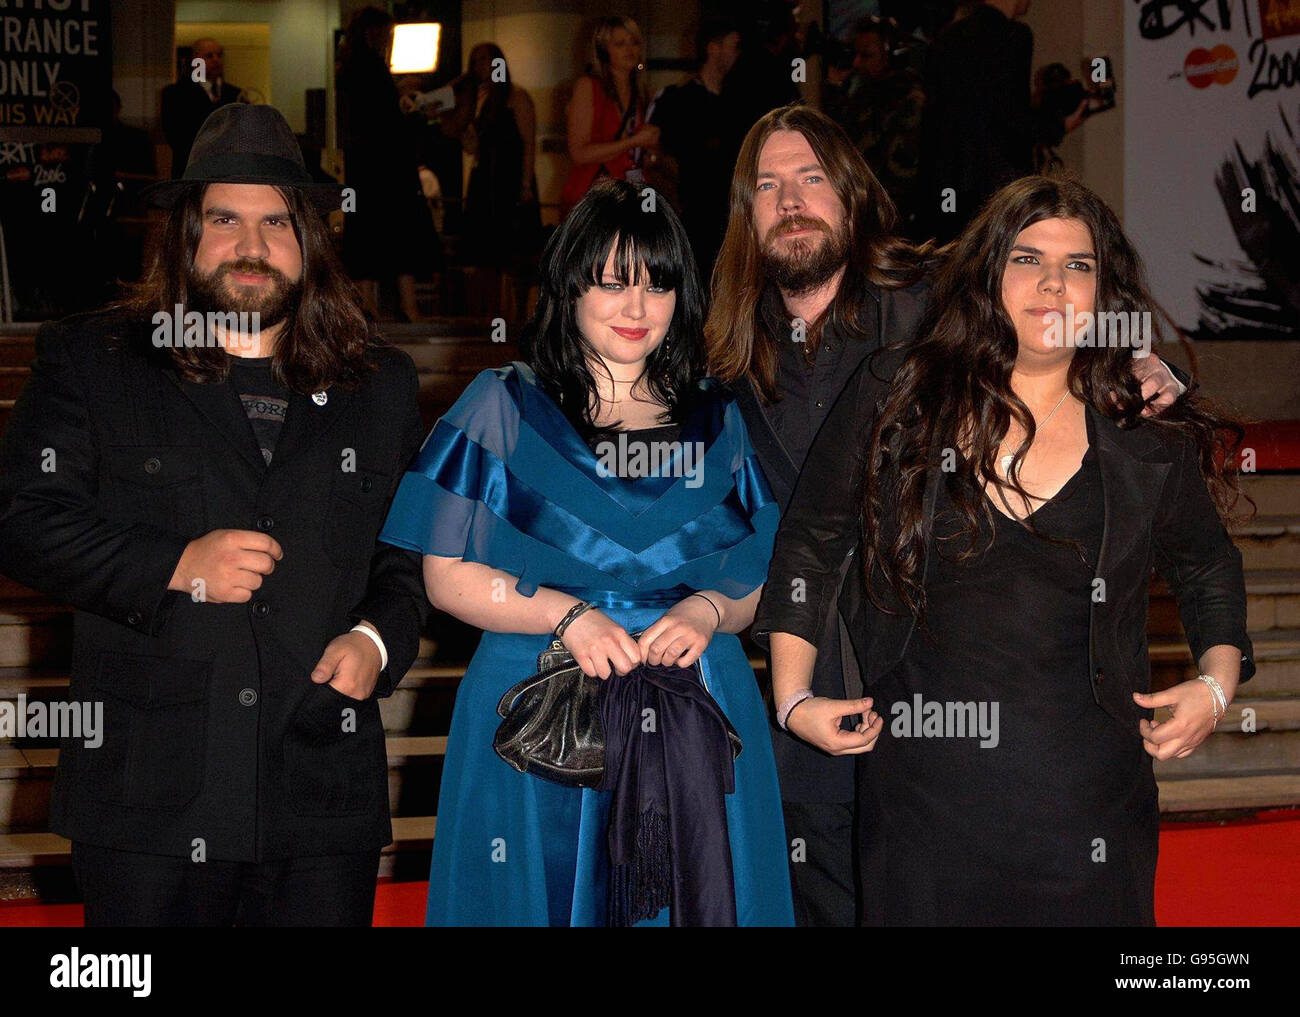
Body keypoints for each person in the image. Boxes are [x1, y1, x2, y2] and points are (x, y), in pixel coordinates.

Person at [705, 104, 1191, 927]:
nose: (791, 200)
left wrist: (1151, 360)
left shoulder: (933, 299)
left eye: (812, 179)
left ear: (852, 194)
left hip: (940, 691)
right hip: (809, 693)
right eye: (768, 185)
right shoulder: (722, 354)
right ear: (747, 216)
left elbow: (1062, 305)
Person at [0, 104, 429, 926]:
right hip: (149, 801)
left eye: (276, 222)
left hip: (319, 794)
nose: (252, 246)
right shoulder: (95, 361)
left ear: (309, 241)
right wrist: (172, 564)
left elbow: (409, 549)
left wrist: (378, 638)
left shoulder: (380, 385)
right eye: (226, 219)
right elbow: (25, 517)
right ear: (187, 234)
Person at [378, 178, 794, 926]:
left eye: (658, 284)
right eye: (612, 282)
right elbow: (444, 575)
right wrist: (567, 616)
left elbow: (753, 575)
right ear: (569, 287)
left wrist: (706, 610)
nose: (638, 309)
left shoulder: (718, 414)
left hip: (699, 697)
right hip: (534, 699)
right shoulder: (503, 404)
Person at [916, 0, 1088, 241]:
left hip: (947, 184)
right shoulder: (1014, 35)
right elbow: (1010, 113)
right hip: (996, 182)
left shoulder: (946, 39)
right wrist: (1056, 127)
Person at [337, 6, 437, 322]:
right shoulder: (372, 68)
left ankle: (368, 305)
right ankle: (406, 306)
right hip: (388, 168)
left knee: (367, 234)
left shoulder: (352, 67)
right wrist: (410, 111)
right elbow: (387, 126)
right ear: (374, 33)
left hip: (365, 167)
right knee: (399, 235)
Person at [442, 42, 540, 320]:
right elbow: (472, 146)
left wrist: (524, 185)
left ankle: (513, 316)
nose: (480, 66)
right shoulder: (480, 100)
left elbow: (528, 142)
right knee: (484, 254)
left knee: (514, 254)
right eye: (476, 61)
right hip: (485, 180)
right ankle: (489, 316)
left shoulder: (516, 97)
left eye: (485, 60)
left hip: (509, 180)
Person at [648, 17, 743, 284]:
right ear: (713, 48)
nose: (737, 53)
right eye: (732, 46)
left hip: (729, 214)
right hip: (693, 213)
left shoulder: (735, 100)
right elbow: (656, 156)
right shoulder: (680, 99)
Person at [559, 16, 660, 218]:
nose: (630, 49)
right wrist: (633, 141)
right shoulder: (588, 86)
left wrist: (649, 150)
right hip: (595, 191)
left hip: (631, 189)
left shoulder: (641, 90)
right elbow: (579, 153)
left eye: (634, 42)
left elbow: (642, 154)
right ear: (604, 49)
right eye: (620, 43)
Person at [161, 37, 245, 179]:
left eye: (219, 55)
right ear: (195, 61)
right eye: (209, 56)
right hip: (191, 171)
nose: (216, 60)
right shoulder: (176, 93)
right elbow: (176, 135)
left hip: (229, 173)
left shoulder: (236, 94)